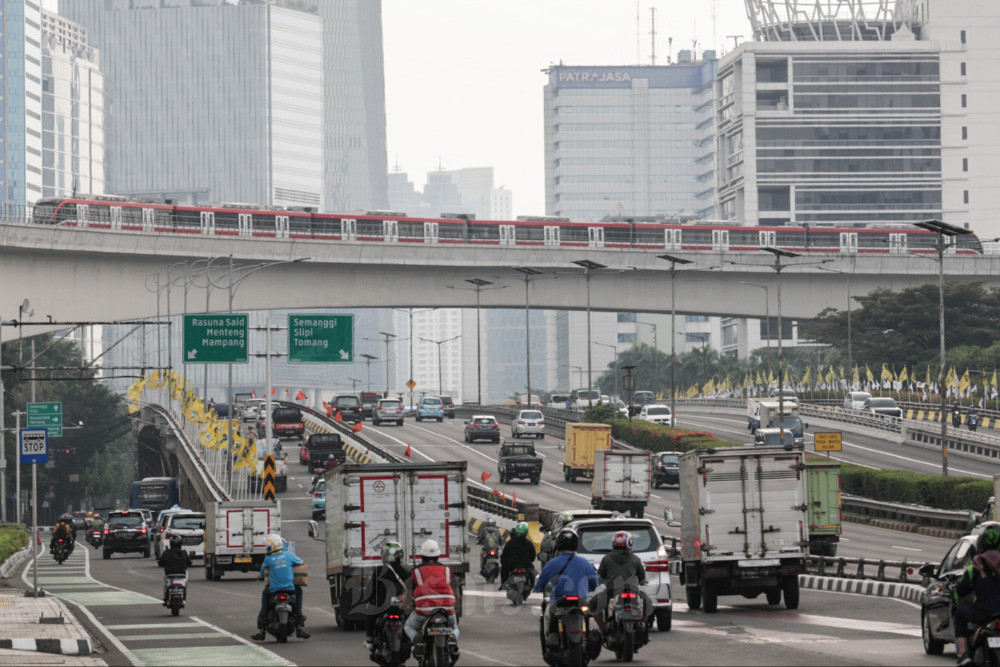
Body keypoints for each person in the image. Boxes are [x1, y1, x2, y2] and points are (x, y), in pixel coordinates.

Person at [533, 528, 599, 640]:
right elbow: (594, 582)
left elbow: (541, 582)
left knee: (547, 617)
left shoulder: (552, 563)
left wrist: (538, 588)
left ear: (558, 544)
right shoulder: (584, 562)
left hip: (559, 601)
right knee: (586, 616)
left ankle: (549, 639)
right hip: (581, 600)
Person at [953, 522, 1000, 666]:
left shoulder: (976, 565)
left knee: (960, 614)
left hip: (983, 612)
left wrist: (957, 599)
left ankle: (964, 654)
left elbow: (959, 592)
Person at [589, 531, 653, 634]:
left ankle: (602, 628)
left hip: (611, 591)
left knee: (593, 604)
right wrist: (642, 582)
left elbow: (600, 576)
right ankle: (643, 628)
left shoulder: (607, 558)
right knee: (648, 603)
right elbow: (642, 578)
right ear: (630, 543)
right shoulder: (635, 559)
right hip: (633, 591)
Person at [404, 539, 459, 655]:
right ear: (438, 556)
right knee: (455, 627)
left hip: (424, 611)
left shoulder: (416, 572)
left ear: (421, 556)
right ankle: (453, 636)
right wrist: (457, 606)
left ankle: (417, 640)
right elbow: (457, 594)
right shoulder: (448, 571)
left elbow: (408, 594)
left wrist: (405, 606)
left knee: (408, 626)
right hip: (447, 609)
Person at [252, 534, 309, 641]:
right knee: (299, 592)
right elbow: (302, 562)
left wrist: (261, 575)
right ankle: (300, 626)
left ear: (270, 547)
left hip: (273, 590)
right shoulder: (289, 556)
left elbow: (263, 573)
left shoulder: (268, 559)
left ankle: (262, 631)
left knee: (265, 596)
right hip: (290, 589)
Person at [363, 540, 411, 652]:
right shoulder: (405, 570)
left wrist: (368, 601)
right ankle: (410, 640)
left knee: (369, 612)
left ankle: (369, 640)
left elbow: (370, 590)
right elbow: (411, 588)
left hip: (381, 606)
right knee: (411, 617)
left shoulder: (379, 570)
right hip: (399, 606)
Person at [500, 522, 536, 592]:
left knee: (503, 570)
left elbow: (504, 555)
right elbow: (533, 556)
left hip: (512, 565)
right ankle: (532, 586)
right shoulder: (529, 543)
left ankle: (503, 585)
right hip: (526, 565)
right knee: (532, 572)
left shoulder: (510, 543)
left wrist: (504, 561)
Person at [158, 535, 192, 604]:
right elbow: (189, 562)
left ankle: (166, 596)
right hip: (181, 574)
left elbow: (161, 563)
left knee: (165, 580)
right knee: (185, 581)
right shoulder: (183, 552)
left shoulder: (167, 552)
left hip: (169, 574)